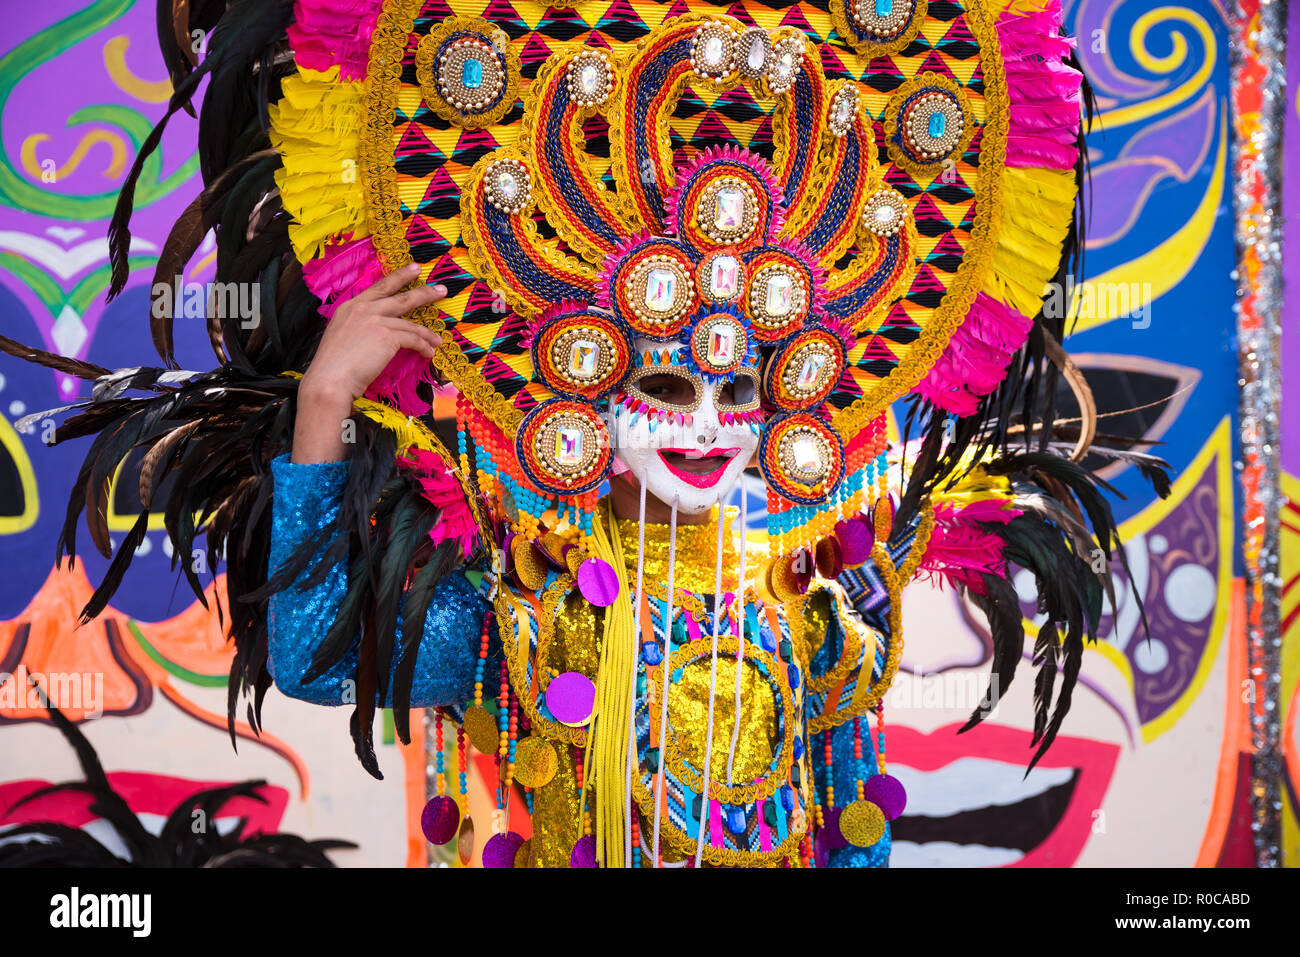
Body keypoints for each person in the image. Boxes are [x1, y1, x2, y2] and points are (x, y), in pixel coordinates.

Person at [0, 0, 1165, 867]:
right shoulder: (520, 593)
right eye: (665, 377)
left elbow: (838, 825)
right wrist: (322, 402)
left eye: (742, 387)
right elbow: (314, 655)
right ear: (579, 386)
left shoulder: (830, 589)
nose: (708, 422)